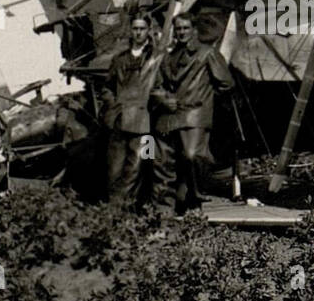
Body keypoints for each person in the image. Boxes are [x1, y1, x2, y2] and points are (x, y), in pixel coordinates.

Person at [151, 14, 234, 214]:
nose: (182, 33)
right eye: (178, 29)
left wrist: (203, 99)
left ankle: (195, 196)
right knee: (161, 160)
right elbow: (157, 85)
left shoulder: (207, 53)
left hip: (195, 113)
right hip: (170, 115)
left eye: (186, 28)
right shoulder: (168, 57)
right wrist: (163, 98)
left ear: (194, 30)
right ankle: (167, 208)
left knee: (192, 155)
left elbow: (226, 83)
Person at [100, 14, 156, 208]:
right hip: (119, 119)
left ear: (148, 30)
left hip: (144, 121)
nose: (138, 32)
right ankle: (115, 208)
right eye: (135, 28)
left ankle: (124, 210)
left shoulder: (156, 58)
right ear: (130, 31)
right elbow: (107, 87)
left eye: (142, 28)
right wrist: (113, 104)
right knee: (114, 169)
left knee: (137, 167)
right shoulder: (120, 59)